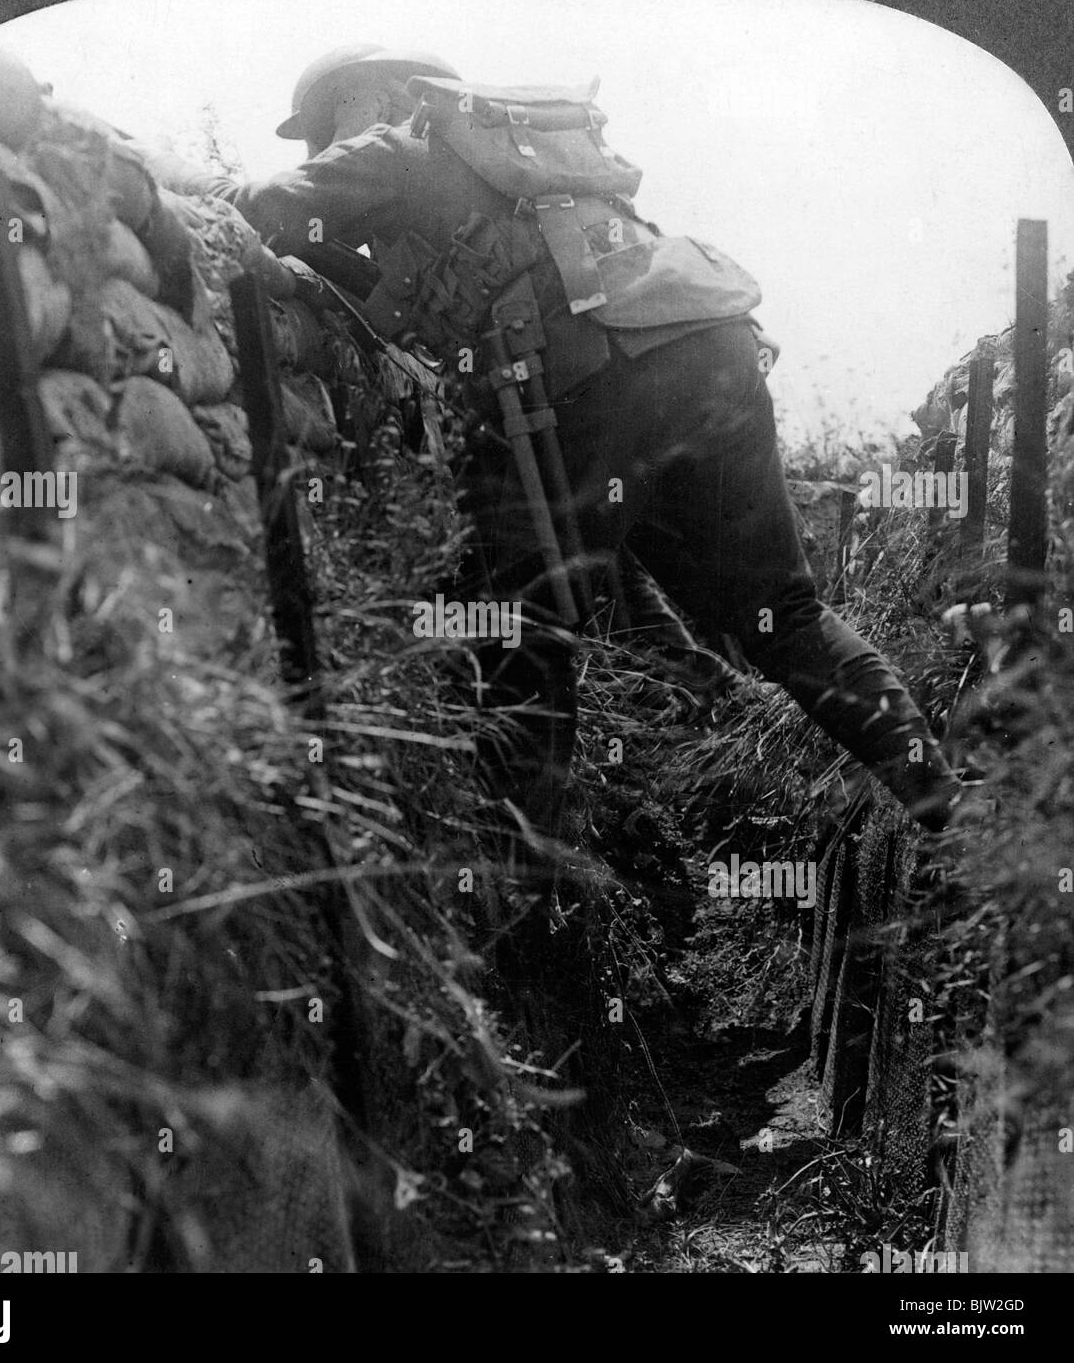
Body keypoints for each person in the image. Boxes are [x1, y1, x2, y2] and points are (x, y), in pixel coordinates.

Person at [229, 46, 962, 837]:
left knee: (514, 630)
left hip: (591, 375)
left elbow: (264, 205)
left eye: (318, 128)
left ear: (354, 99)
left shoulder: (395, 147)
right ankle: (943, 806)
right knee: (782, 615)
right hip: (708, 345)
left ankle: (533, 890)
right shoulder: (516, 159)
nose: (317, 150)